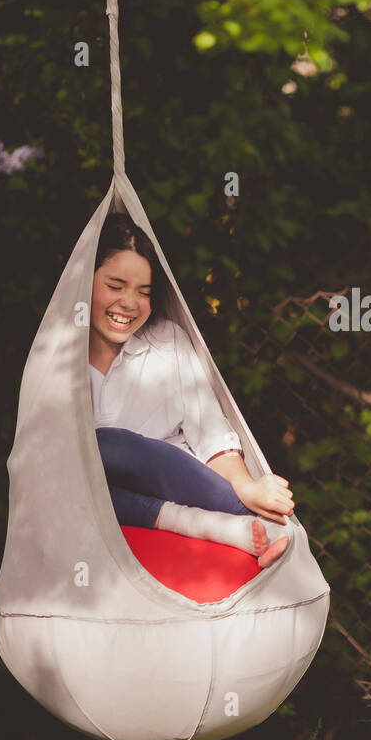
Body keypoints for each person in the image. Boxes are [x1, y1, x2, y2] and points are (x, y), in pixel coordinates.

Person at [88, 213, 292, 568]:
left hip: (180, 481)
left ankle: (247, 516)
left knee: (107, 446)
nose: (129, 303)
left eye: (144, 292)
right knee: (86, 463)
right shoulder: (58, 357)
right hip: (102, 502)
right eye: (115, 286)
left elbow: (212, 436)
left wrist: (245, 486)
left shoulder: (167, 342)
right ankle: (227, 528)